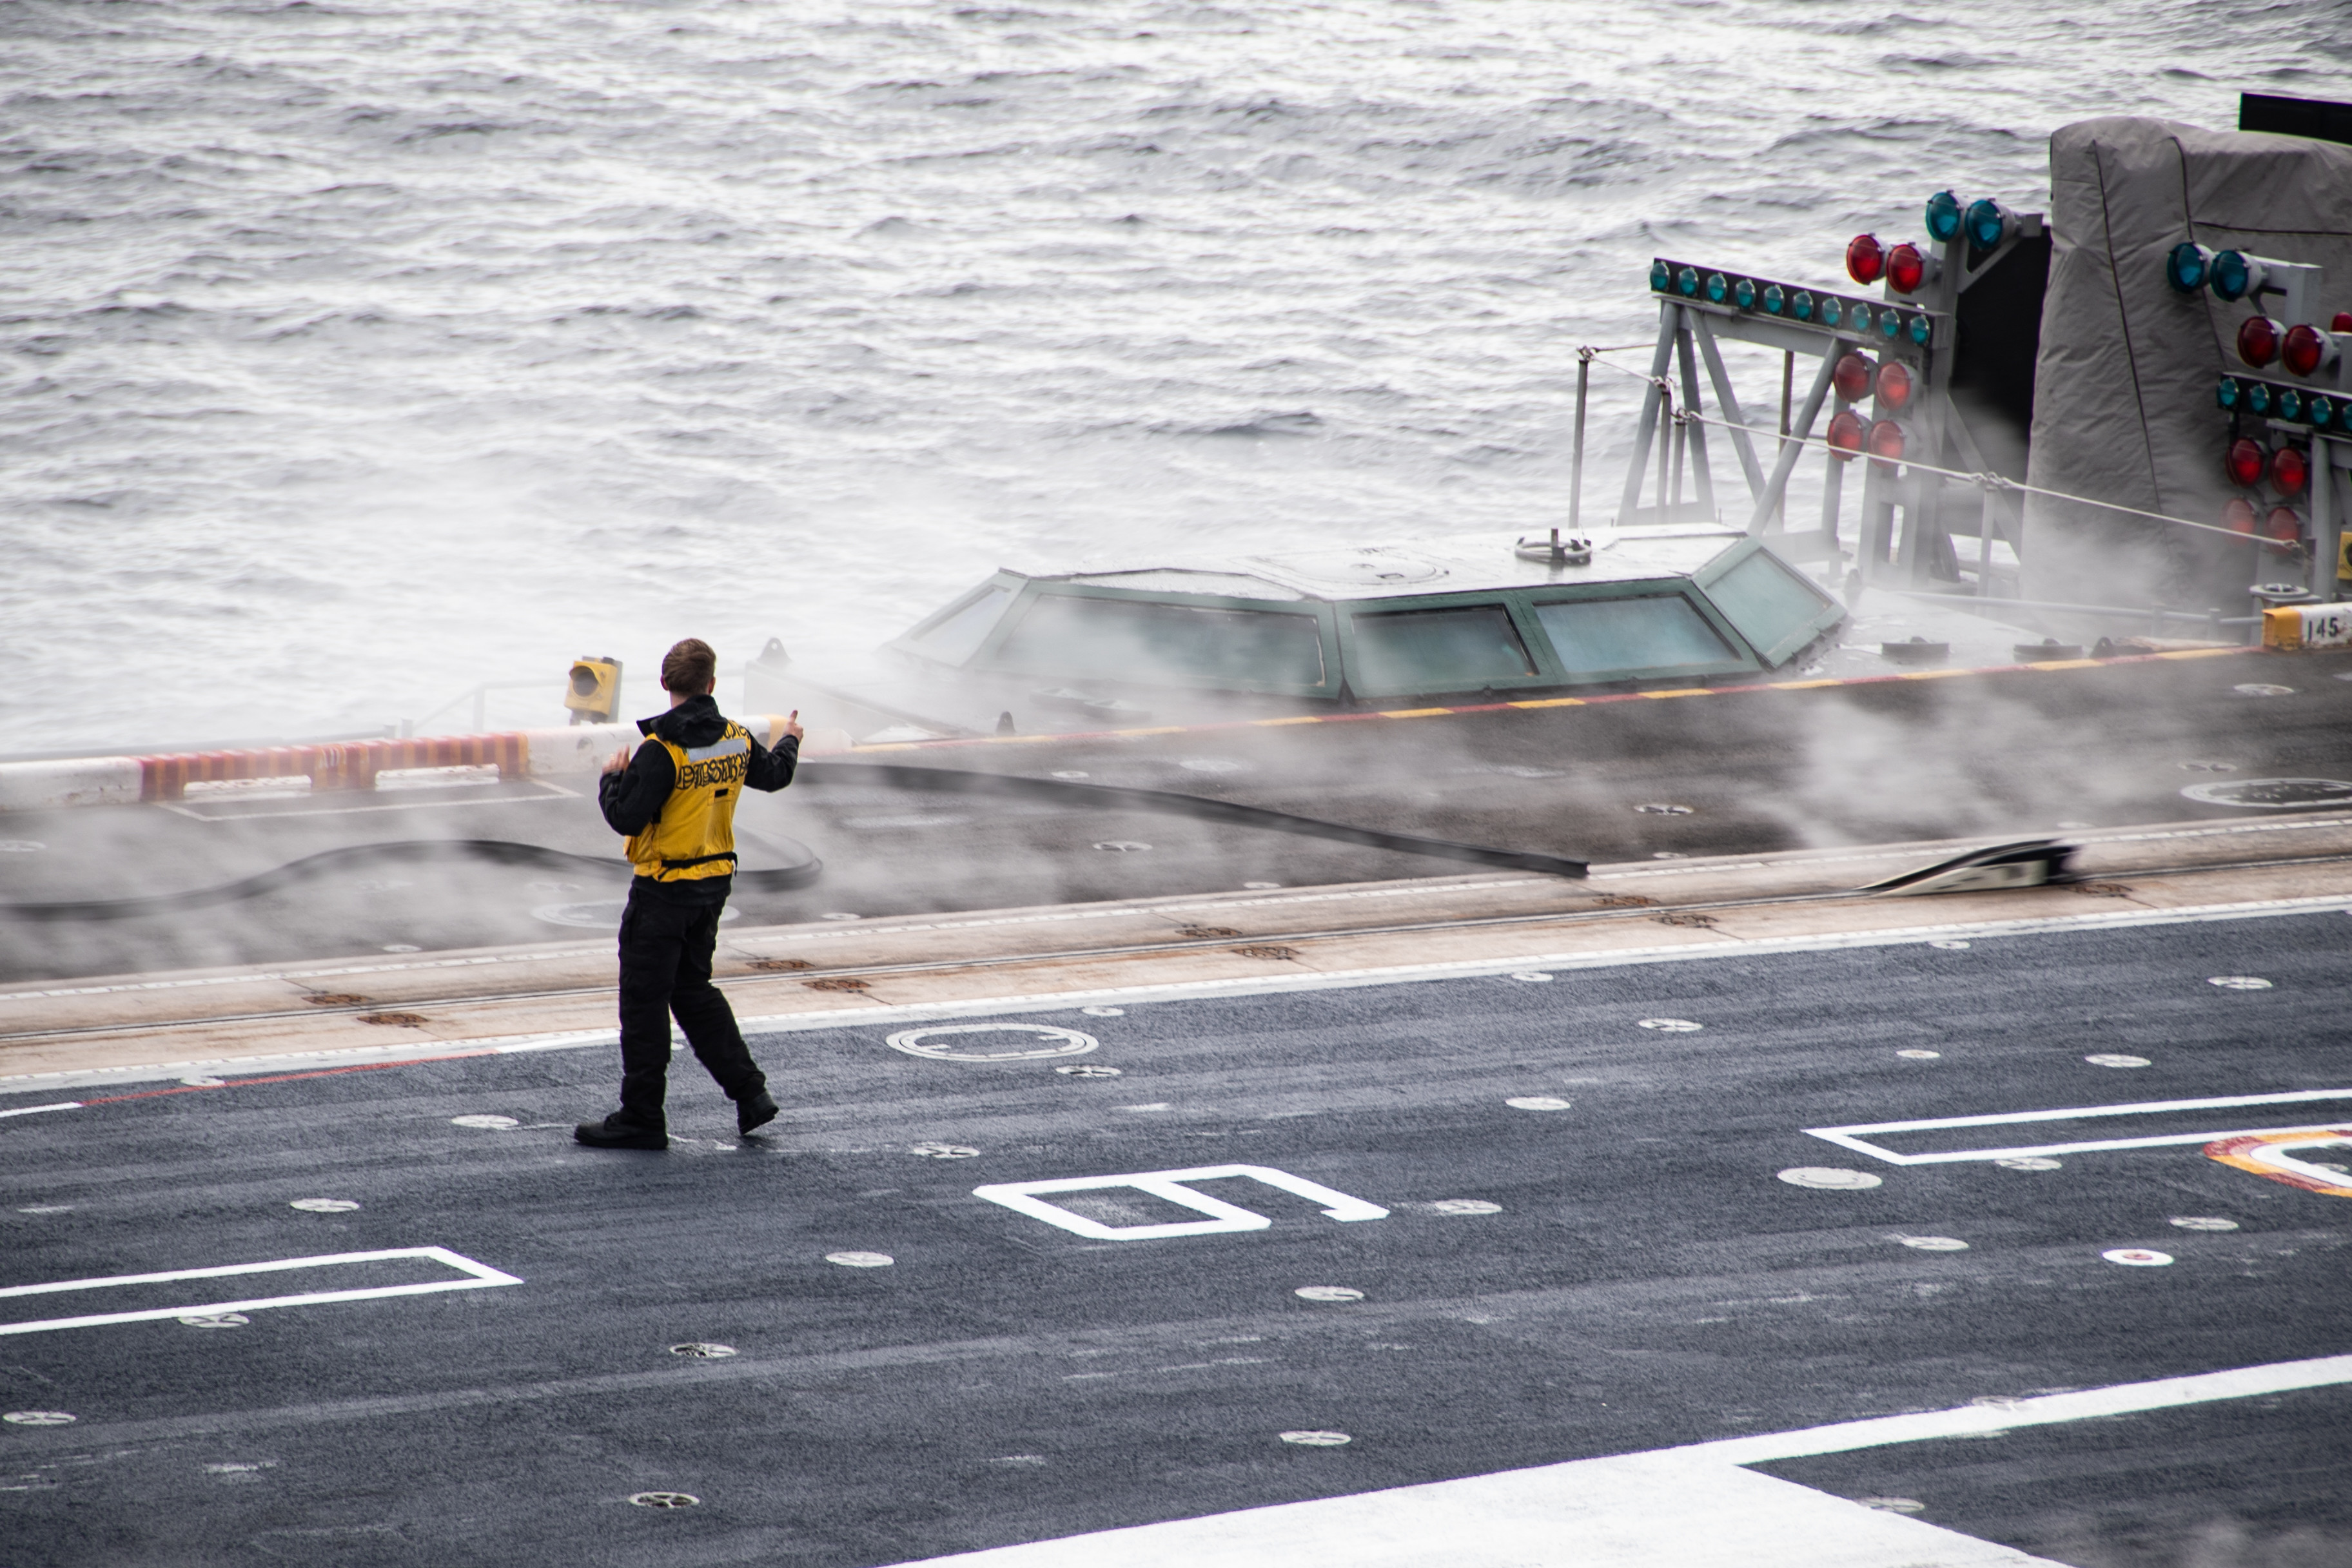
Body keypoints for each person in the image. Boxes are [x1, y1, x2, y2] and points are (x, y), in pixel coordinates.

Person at [575, 638, 803, 1151]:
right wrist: (790, 739)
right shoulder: (737, 739)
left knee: (644, 1005)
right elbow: (776, 775)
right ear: (712, 685)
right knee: (694, 992)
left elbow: (626, 818)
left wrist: (611, 778)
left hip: (662, 893)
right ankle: (751, 1093)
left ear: (664, 685)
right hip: (712, 889)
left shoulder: (661, 751)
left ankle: (642, 1117)